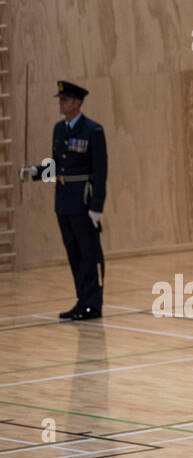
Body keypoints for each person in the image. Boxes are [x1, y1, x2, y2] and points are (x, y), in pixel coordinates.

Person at [21, 81, 107, 321]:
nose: (61, 103)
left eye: (66, 100)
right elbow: (58, 165)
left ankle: (94, 303)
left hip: (82, 200)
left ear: (78, 103)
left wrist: (97, 206)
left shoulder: (93, 131)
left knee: (90, 253)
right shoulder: (59, 129)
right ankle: (82, 300)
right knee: (74, 254)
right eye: (60, 99)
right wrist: (35, 172)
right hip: (63, 201)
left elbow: (100, 171)